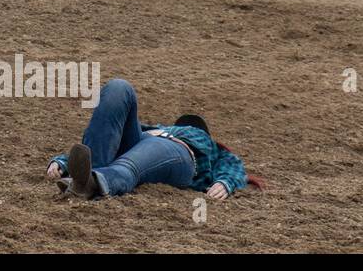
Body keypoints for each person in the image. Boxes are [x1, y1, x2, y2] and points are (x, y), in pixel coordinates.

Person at [47, 78, 254, 200]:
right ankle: (90, 170)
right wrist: (65, 161)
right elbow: (111, 136)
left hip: (178, 153)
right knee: (119, 87)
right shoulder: (157, 128)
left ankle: (96, 182)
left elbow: (233, 164)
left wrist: (225, 182)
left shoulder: (207, 145)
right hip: (144, 139)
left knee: (131, 164)